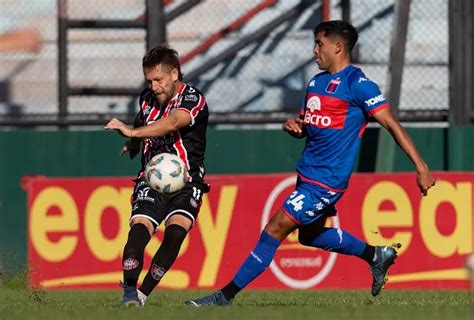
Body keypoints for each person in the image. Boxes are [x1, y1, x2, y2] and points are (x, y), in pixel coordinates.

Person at [185, 20, 435, 307]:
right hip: (307, 174)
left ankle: (223, 297)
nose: (314, 50)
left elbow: (391, 124)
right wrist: (295, 126)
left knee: (275, 228)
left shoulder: (359, 85)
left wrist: (421, 166)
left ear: (337, 47)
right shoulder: (316, 83)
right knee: (310, 235)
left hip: (327, 180)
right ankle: (376, 255)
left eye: (319, 43)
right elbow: (309, 124)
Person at [105, 44, 209, 306]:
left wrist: (131, 133)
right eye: (149, 80)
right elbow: (144, 119)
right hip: (151, 180)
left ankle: (142, 294)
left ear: (174, 74)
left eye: (158, 80)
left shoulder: (193, 99)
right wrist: (134, 144)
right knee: (139, 229)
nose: (154, 86)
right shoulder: (147, 97)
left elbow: (173, 122)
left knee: (175, 234)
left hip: (187, 182)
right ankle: (129, 291)